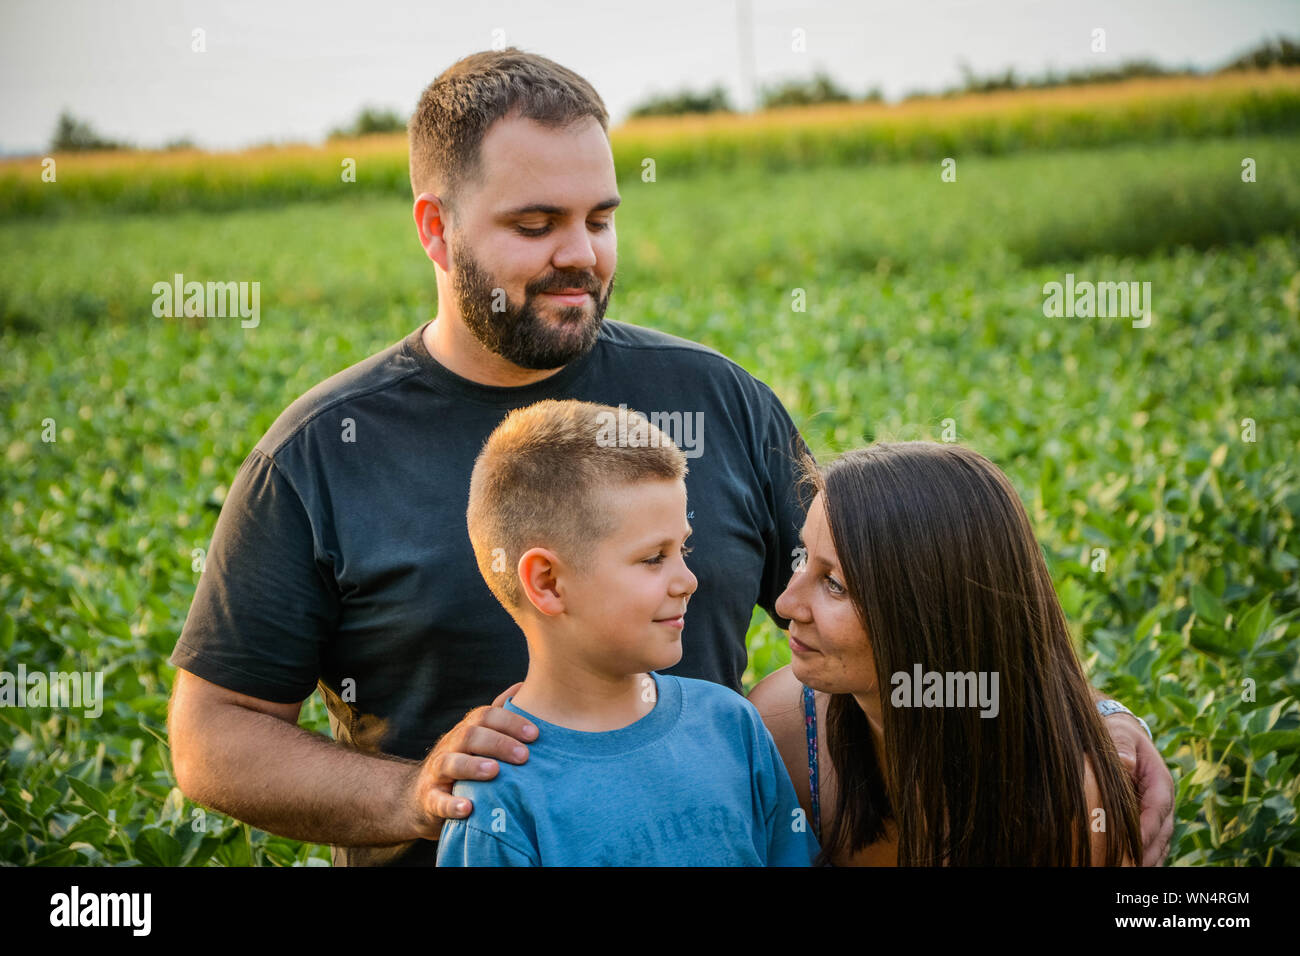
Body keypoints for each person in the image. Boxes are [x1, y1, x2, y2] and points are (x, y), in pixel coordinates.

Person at [166, 46, 1173, 866]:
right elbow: (212, 734)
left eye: (600, 218)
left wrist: (1086, 716)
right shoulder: (320, 454)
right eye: (535, 224)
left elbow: (895, 588)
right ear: (436, 229)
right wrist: (419, 790)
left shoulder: (714, 397)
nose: (582, 254)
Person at [434, 399, 819, 866]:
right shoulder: (499, 803)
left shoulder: (732, 725)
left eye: (684, 548)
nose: (688, 580)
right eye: (654, 557)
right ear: (547, 583)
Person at [750, 442, 1145, 865]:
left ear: (931, 615)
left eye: (834, 583)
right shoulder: (780, 730)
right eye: (803, 558)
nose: (786, 604)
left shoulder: (1071, 804)